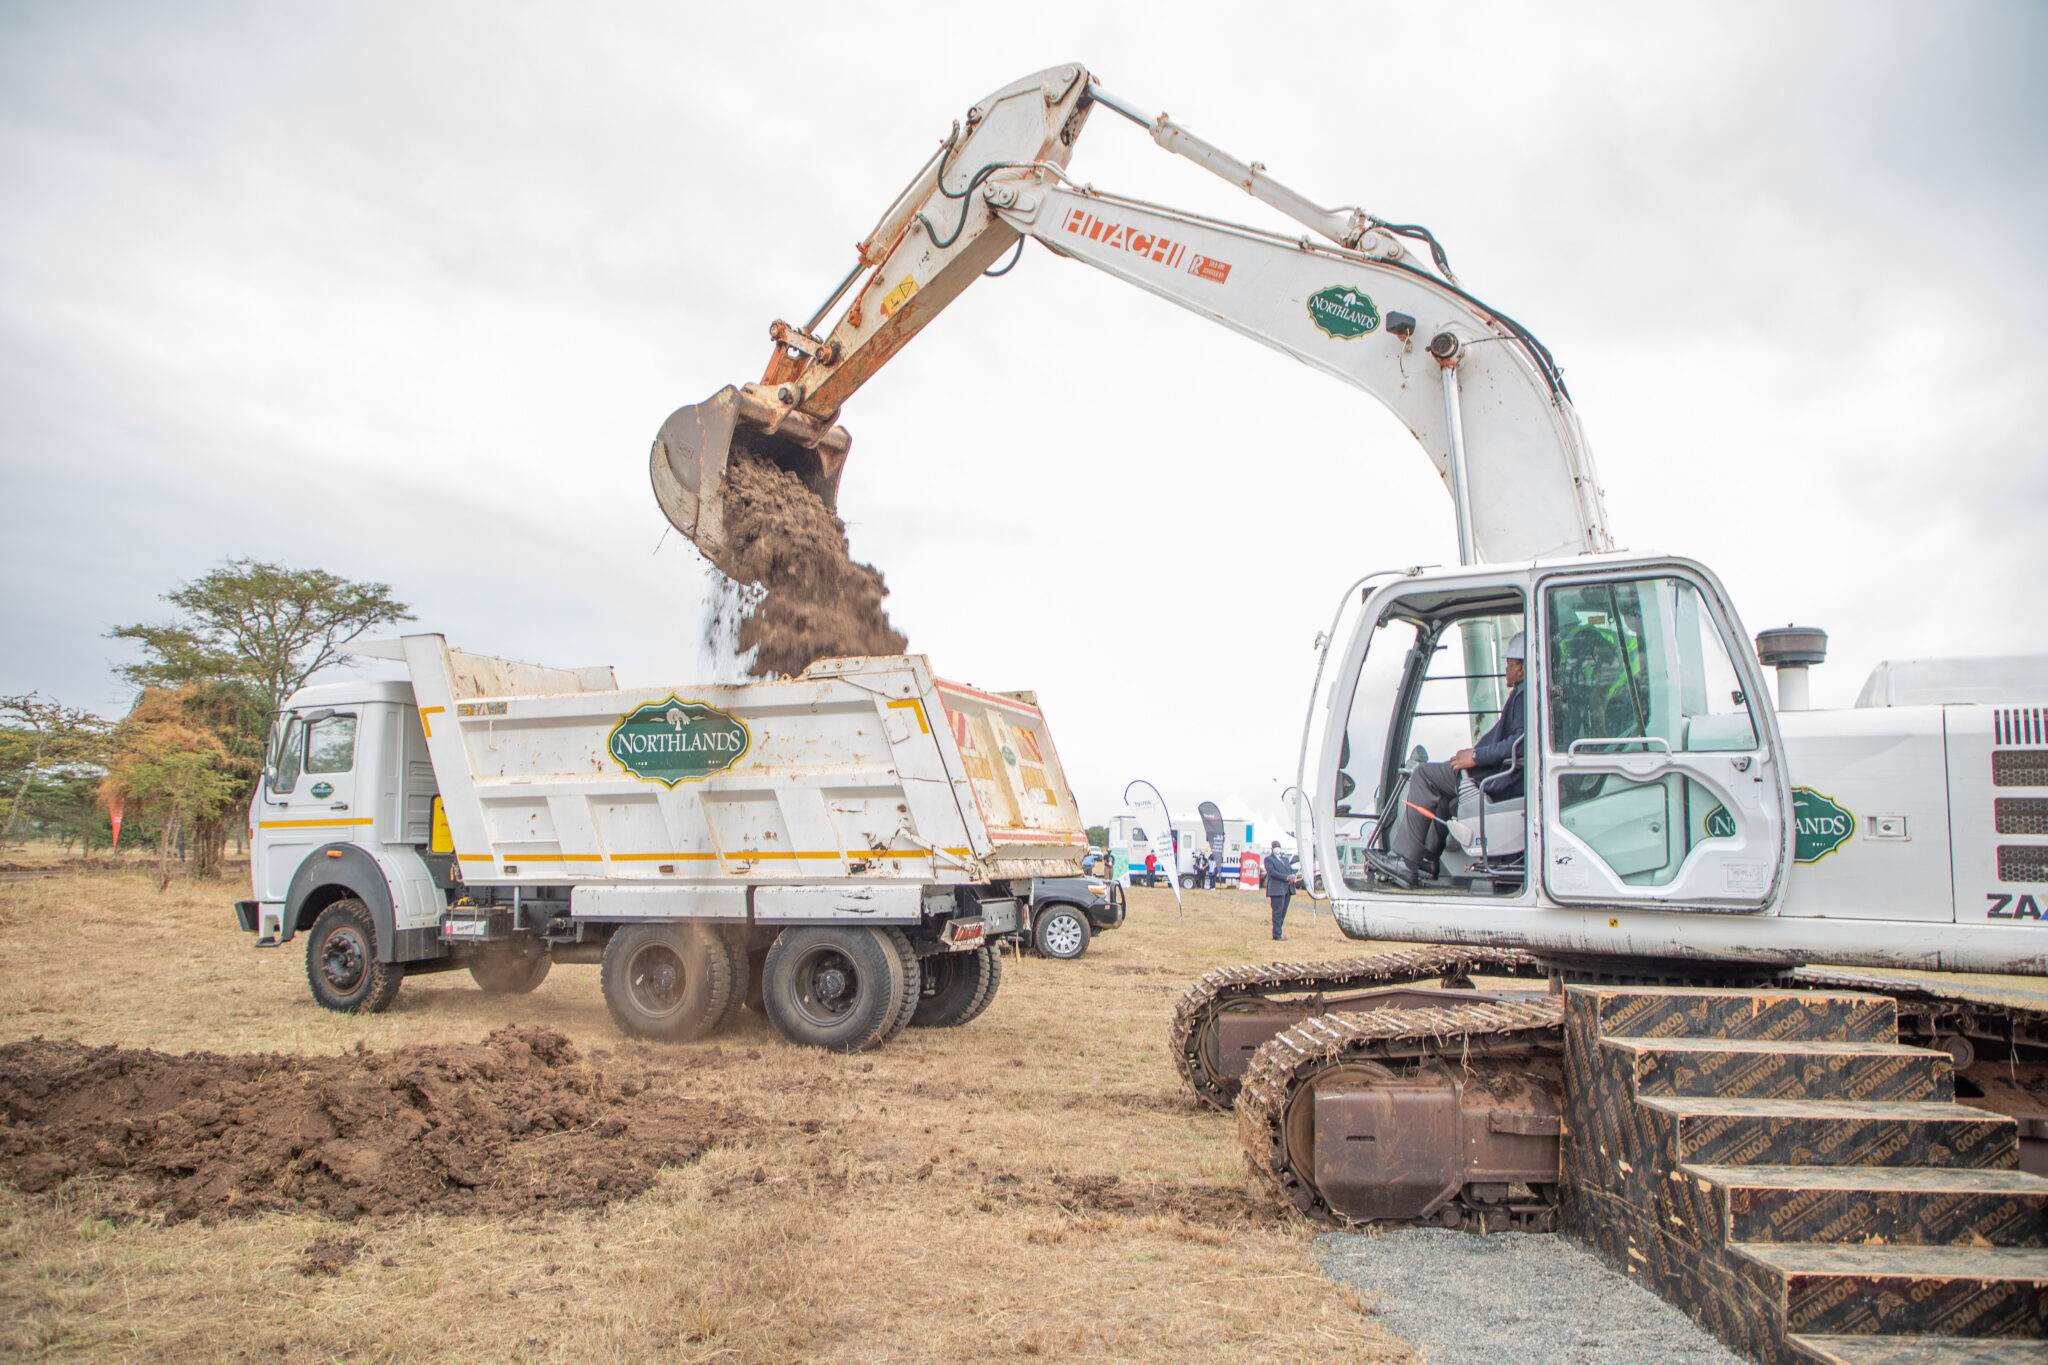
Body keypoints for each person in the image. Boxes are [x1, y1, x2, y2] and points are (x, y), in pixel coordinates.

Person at [1366, 631, 1528, 890]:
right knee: (1447, 796)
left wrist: (1475, 757)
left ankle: (1405, 861)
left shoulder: (1523, 696)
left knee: (1424, 776)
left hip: (1494, 778)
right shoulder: (1523, 695)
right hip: (1497, 774)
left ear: (1521, 667)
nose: (1505, 668)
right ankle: (1428, 860)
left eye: (1509, 663)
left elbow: (1520, 744)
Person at [1263, 841, 1295, 940]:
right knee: (1277, 912)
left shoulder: (1285, 859)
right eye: (1275, 847)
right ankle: (1276, 935)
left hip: (1287, 889)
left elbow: (1290, 869)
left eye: (1278, 846)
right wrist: (1286, 877)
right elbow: (1272, 872)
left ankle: (1278, 931)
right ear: (1272, 848)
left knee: (1283, 912)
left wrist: (1293, 875)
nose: (1277, 848)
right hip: (1276, 890)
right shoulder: (1268, 859)